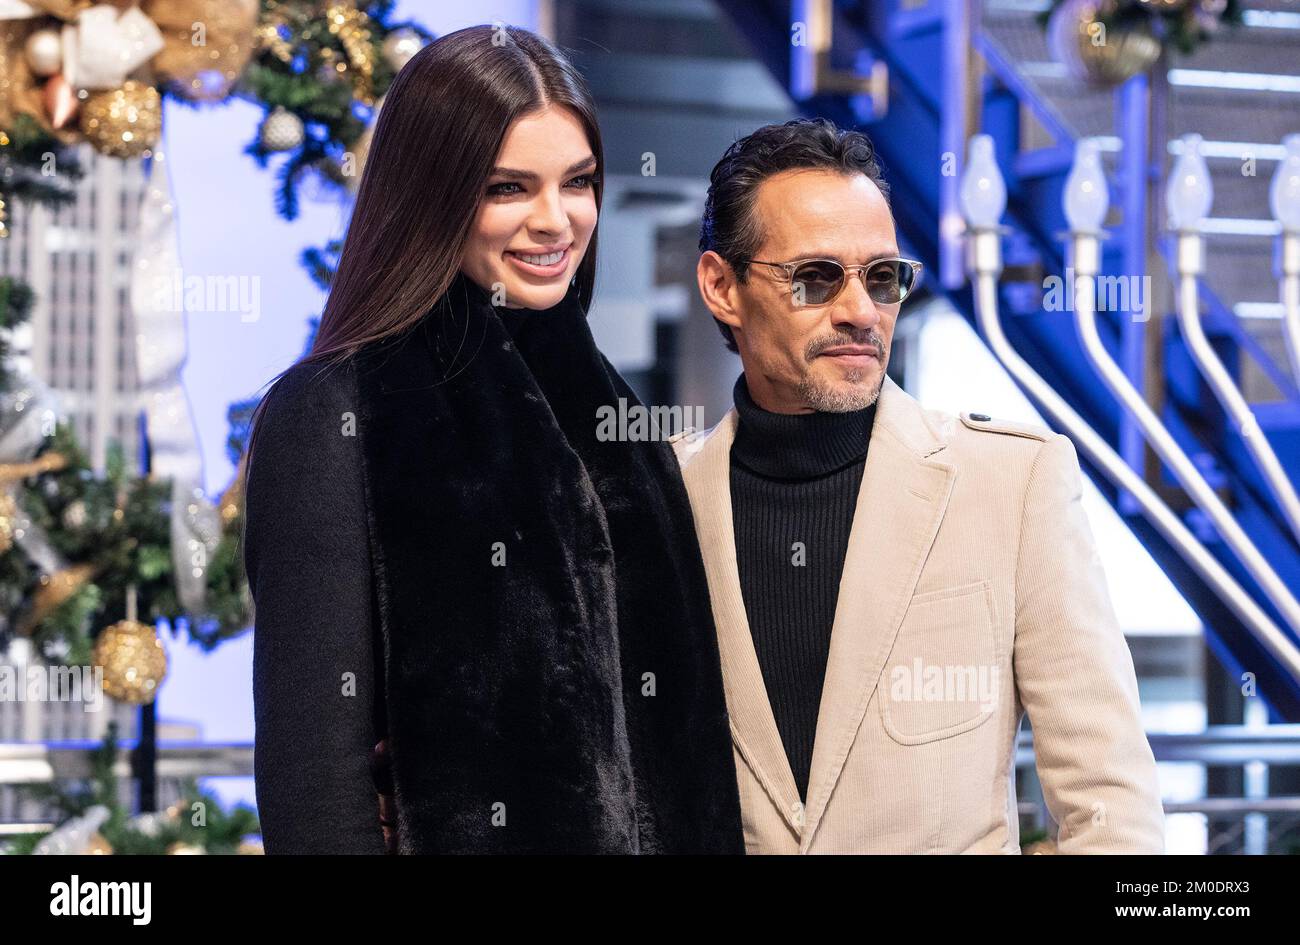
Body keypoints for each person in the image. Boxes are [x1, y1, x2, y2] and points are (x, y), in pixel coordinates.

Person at [242, 24, 743, 854]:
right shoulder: (332, 412)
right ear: (433, 195)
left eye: (578, 182)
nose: (557, 221)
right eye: (509, 188)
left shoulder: (612, 410)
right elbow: (314, 787)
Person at [672, 117, 1165, 853]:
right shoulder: (654, 498)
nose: (860, 312)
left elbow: (1111, 809)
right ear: (722, 286)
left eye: (882, 277)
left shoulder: (1012, 482)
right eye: (815, 277)